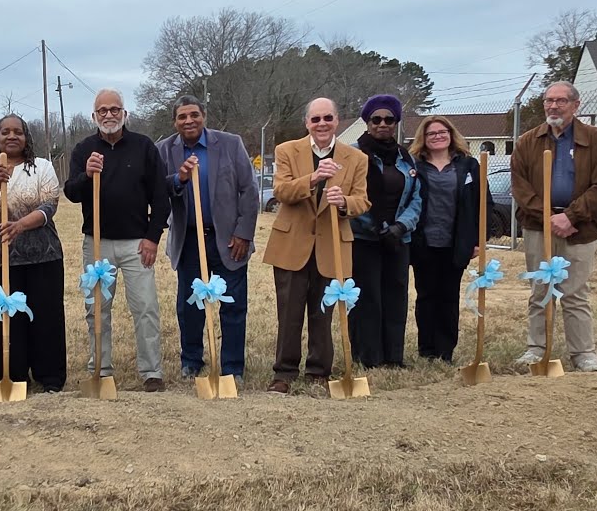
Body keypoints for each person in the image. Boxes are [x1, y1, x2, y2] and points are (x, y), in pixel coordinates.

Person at [64, 89, 170, 392]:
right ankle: (101, 368)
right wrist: (86, 174)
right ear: (94, 115)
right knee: (97, 307)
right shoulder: (85, 149)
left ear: (125, 113)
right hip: (97, 244)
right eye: (102, 111)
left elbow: (160, 198)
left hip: (137, 243)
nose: (108, 115)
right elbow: (71, 192)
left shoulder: (144, 147)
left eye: (114, 109)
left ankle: (152, 372)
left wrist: (152, 238)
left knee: (146, 307)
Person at [262, 98, 370, 392]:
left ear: (337, 121)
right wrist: (313, 178)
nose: (322, 124)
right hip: (291, 244)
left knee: (323, 314)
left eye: (328, 118)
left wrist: (345, 202)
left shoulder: (356, 158)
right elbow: (281, 191)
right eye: (315, 119)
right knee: (289, 313)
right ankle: (283, 373)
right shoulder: (286, 151)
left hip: (331, 244)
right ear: (307, 123)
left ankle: (319, 371)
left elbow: (362, 200)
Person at [511, 81, 597, 372]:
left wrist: (570, 217)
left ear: (575, 105)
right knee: (540, 288)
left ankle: (584, 354)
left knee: (574, 292)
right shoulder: (528, 142)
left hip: (579, 229)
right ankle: (536, 349)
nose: (553, 106)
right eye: (548, 100)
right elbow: (520, 187)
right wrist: (549, 218)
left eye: (560, 101)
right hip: (538, 227)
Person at [155, 95, 258, 384]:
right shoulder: (163, 150)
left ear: (204, 116)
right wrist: (179, 179)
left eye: (194, 115)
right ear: (174, 121)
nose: (188, 121)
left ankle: (232, 367)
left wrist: (244, 233)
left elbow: (249, 191)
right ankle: (191, 361)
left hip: (228, 238)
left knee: (234, 304)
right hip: (188, 240)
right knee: (190, 306)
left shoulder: (230, 144)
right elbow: (156, 190)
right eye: (182, 117)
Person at [0, 114, 66, 392]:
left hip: (43, 257)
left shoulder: (43, 167)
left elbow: (49, 206)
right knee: (6, 320)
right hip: (0, 260)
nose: (12, 137)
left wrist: (20, 225)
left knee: (46, 318)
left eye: (18, 132)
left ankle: (50, 377)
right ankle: (11, 374)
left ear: (26, 137)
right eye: (5, 132)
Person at [348, 94, 422, 369]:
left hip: (398, 239)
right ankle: (367, 356)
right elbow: (350, 195)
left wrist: (401, 226)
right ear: (367, 122)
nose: (382, 124)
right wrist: (378, 226)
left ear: (396, 123)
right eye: (376, 119)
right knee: (367, 298)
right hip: (364, 238)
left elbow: (417, 198)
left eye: (389, 119)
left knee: (395, 296)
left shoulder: (406, 158)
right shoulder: (354, 155)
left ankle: (393, 355)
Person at [408, 116, 489, 363]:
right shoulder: (416, 167)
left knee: (448, 296)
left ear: (451, 134)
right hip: (424, 242)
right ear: (424, 138)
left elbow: (481, 203)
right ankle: (426, 349)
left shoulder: (468, 166)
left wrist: (477, 239)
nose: (437, 137)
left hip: (456, 243)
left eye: (442, 132)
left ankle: (445, 350)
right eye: (431, 133)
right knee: (426, 296)